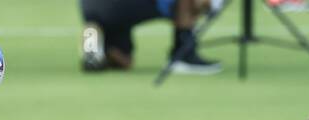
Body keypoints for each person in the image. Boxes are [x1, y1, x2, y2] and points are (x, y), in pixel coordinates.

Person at [79, 0, 221, 74]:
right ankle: (183, 54)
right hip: (116, 5)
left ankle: (96, 43)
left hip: (90, 6)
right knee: (188, 3)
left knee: (124, 61)